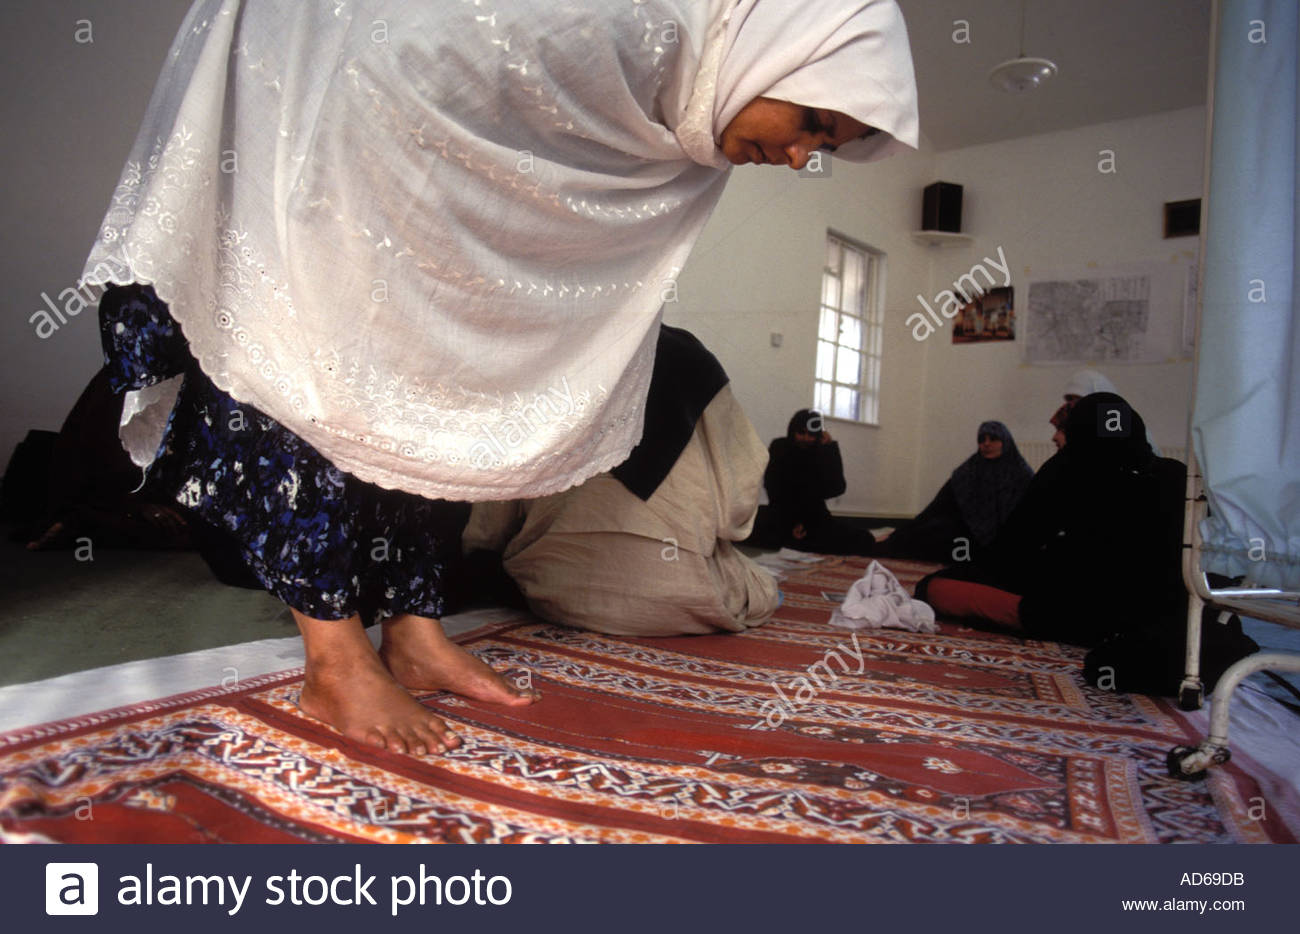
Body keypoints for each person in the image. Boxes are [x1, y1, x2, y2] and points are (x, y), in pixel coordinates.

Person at [84, 1, 919, 755]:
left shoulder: (682, 85)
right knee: (310, 355)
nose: (802, 152)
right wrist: (391, 249)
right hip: (317, 130)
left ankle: (413, 630)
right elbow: (394, 57)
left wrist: (458, 284)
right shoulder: (626, 20)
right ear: (772, 50)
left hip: (410, 167)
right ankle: (333, 656)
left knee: (446, 386)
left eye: (825, 149)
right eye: (811, 121)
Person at [462, 326, 779, 636]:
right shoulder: (691, 356)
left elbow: (491, 518)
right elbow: (737, 503)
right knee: (761, 588)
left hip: (552, 591)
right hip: (688, 597)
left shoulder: (553, 353)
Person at [916, 394, 1187, 647]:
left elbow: (1014, 548)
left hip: (1076, 614)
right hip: (1165, 614)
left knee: (934, 588)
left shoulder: (1067, 470)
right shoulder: (1175, 475)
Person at [881, 421, 1032, 562]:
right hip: (963, 528)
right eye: (981, 439)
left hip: (999, 537)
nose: (986, 444)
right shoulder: (968, 470)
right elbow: (937, 506)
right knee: (923, 533)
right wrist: (901, 531)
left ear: (1005, 441)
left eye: (993, 438)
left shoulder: (1020, 473)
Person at [761, 409, 877, 555]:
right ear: (792, 431)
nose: (806, 438)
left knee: (864, 538)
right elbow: (774, 488)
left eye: (811, 435)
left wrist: (830, 449)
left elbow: (837, 487)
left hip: (813, 519)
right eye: (801, 433)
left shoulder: (820, 451)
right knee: (751, 527)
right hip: (783, 516)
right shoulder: (780, 447)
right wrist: (793, 522)